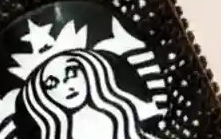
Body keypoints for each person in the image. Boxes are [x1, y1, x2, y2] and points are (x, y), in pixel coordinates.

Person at [21, 49, 159, 139]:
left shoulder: (130, 112)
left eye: (71, 73)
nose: (67, 86)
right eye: (52, 84)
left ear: (90, 71)